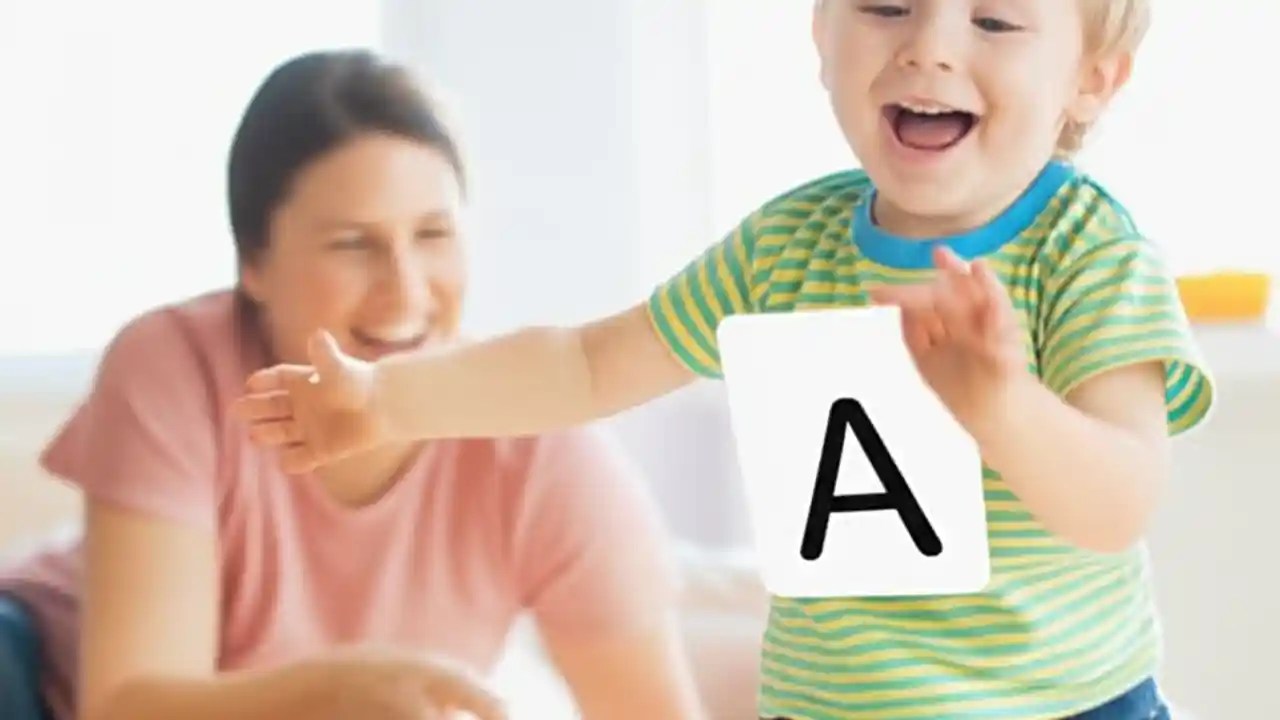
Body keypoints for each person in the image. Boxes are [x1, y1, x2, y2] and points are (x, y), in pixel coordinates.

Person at [235, 1, 1218, 719]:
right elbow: (585, 364)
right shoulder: (781, 249)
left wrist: (997, 401)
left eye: (993, 22)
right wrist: (387, 399)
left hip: (1065, 707)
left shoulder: (1085, 251)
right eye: (883, 7)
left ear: (1091, 76)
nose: (927, 45)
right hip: (825, 706)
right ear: (819, 32)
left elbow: (1117, 503)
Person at [0, 49, 711, 720]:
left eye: (432, 235)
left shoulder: (540, 450)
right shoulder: (172, 362)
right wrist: (328, 691)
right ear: (254, 261)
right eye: (352, 244)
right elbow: (125, 706)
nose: (404, 294)